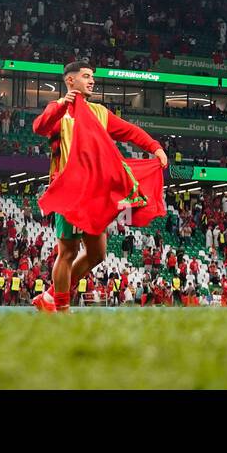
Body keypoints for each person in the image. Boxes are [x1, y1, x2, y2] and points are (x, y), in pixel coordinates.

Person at [30, 61, 168, 313]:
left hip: (95, 192)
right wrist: (61, 104)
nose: (92, 80)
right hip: (72, 190)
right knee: (68, 251)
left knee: (97, 254)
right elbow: (39, 127)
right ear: (70, 81)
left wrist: (154, 147)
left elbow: (129, 131)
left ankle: (50, 296)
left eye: (92, 76)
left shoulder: (99, 112)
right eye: (86, 76)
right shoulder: (60, 110)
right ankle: (61, 310)